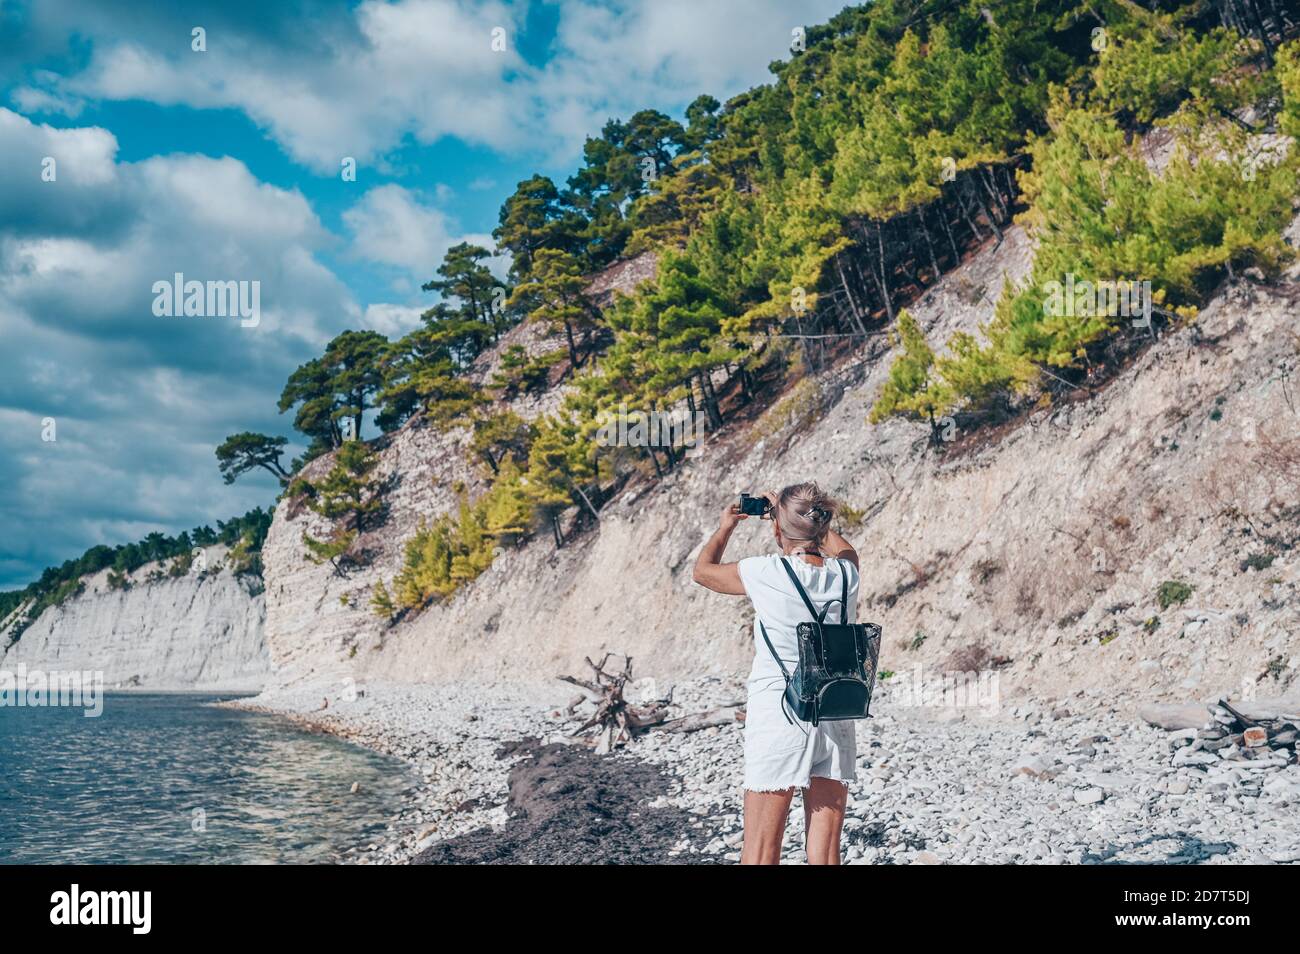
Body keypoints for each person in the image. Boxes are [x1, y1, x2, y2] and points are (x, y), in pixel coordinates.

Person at [692, 482, 860, 865]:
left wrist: (725, 527)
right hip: (834, 712)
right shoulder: (847, 575)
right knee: (826, 854)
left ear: (776, 528)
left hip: (780, 715)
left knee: (761, 851)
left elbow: (703, 572)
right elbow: (845, 550)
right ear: (821, 527)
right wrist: (808, 522)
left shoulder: (765, 572)